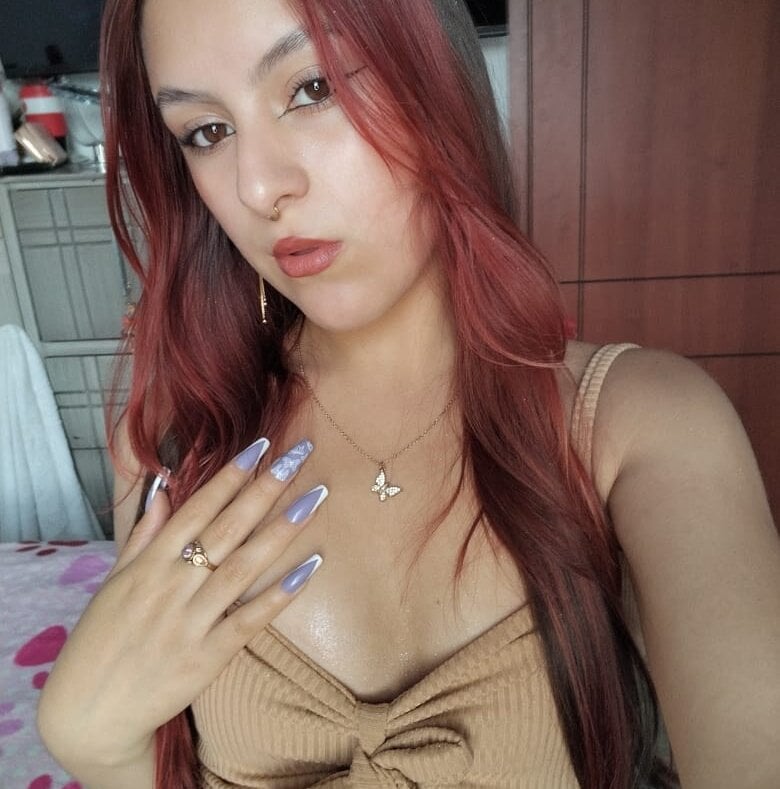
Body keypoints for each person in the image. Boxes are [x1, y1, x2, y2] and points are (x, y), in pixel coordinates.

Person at [36, 0, 780, 786]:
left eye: (314, 87)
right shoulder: (173, 434)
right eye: (207, 131)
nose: (258, 187)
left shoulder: (642, 425)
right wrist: (100, 750)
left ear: (438, 81)